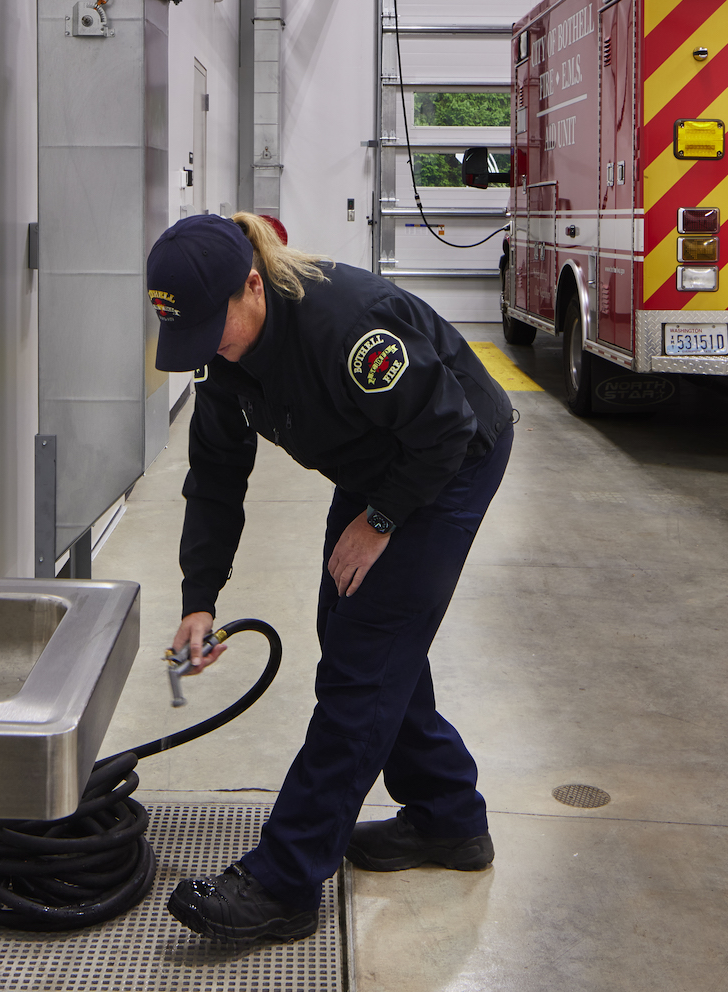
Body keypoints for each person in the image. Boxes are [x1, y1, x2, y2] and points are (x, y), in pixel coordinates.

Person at [145, 211, 514, 943]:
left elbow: (446, 430)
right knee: (355, 634)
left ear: (253, 285)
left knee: (362, 662)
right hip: (378, 456)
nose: (206, 353)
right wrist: (199, 599)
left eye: (214, 329)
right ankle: (447, 818)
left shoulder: (349, 327)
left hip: (449, 456)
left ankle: (284, 881)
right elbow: (216, 476)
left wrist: (380, 521)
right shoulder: (223, 354)